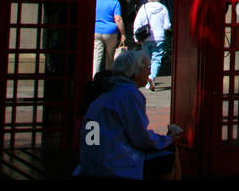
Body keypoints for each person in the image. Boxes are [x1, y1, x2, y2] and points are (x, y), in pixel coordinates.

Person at [75, 49, 181, 179]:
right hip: (112, 165)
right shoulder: (129, 94)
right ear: (134, 71)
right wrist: (168, 139)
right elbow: (140, 137)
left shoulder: (108, 91)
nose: (149, 71)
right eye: (147, 67)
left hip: (91, 162)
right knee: (170, 154)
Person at [132, 0, 171, 91]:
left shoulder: (143, 8)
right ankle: (151, 77)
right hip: (159, 37)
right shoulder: (163, 8)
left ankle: (146, 78)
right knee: (157, 59)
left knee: (146, 59)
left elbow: (137, 24)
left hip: (146, 37)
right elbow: (167, 25)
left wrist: (136, 37)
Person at [94, 0, 126, 76]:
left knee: (96, 58)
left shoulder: (96, 0)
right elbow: (118, 19)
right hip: (110, 32)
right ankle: (109, 79)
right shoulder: (115, 2)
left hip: (96, 30)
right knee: (110, 58)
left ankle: (94, 79)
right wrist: (123, 34)